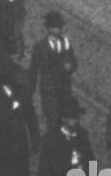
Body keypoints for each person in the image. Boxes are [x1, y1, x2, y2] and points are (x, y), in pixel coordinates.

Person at [29, 10, 78, 138]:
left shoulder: (65, 43)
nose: (60, 29)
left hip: (64, 90)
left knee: (66, 122)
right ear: (49, 28)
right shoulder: (40, 47)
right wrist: (29, 93)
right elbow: (33, 72)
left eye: (60, 27)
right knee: (52, 121)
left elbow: (74, 62)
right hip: (49, 92)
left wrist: (70, 66)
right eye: (57, 27)